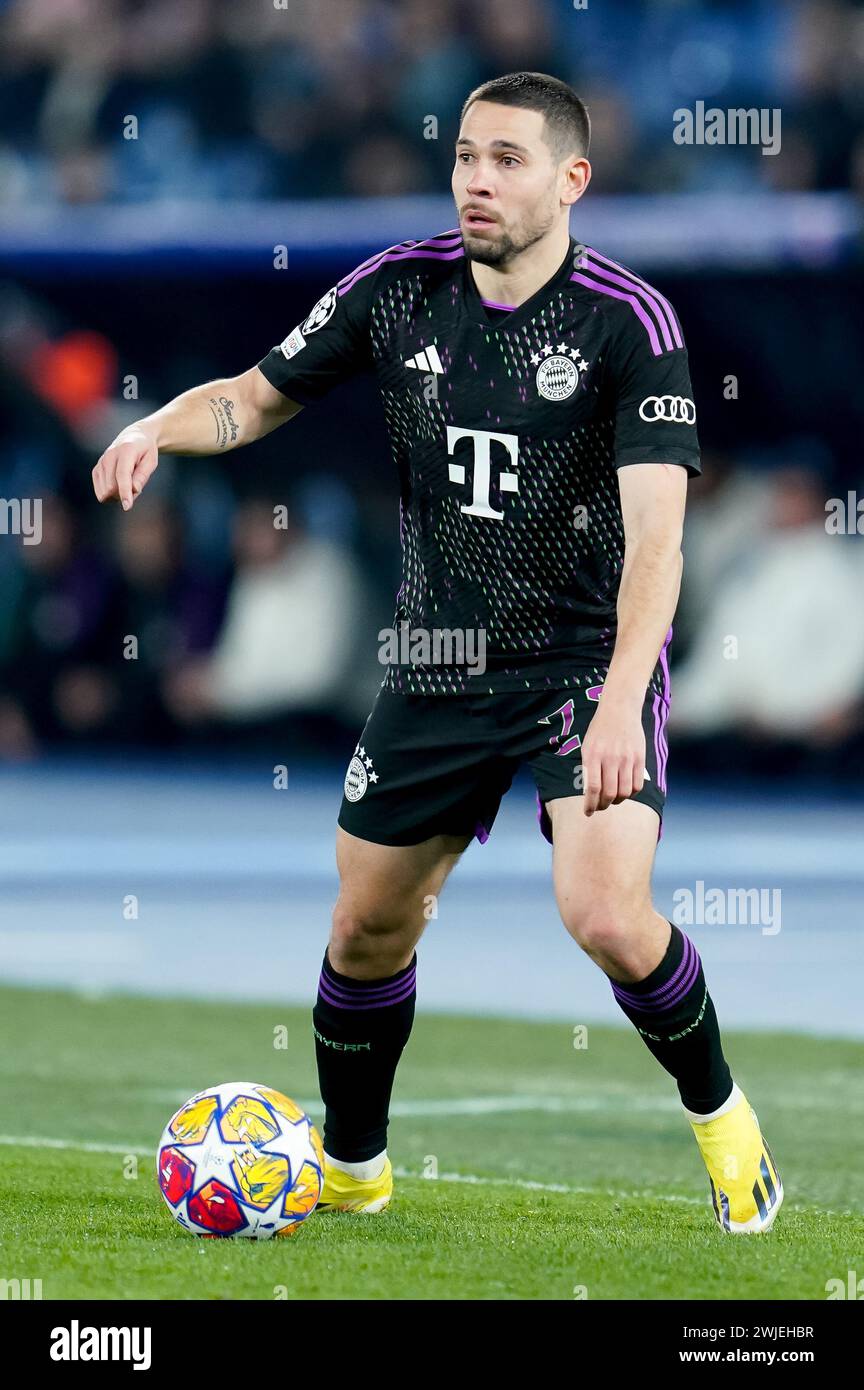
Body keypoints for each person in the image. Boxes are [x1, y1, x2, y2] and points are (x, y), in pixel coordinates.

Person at [93, 71, 782, 1235]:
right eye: (465, 154)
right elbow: (254, 401)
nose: (476, 179)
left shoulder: (628, 323)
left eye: (507, 160)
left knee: (608, 913)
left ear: (572, 181)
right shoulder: (397, 288)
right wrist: (159, 422)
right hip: (437, 661)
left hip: (578, 665)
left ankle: (731, 1134)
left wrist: (623, 701)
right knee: (366, 927)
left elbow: (659, 546)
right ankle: (356, 1165)